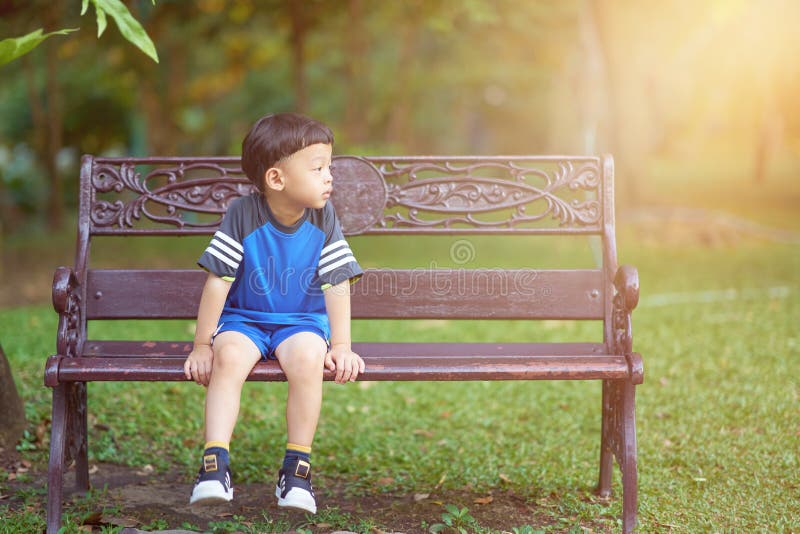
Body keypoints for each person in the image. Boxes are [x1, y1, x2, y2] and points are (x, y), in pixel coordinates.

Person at [183, 112, 364, 514]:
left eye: (329, 166)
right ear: (276, 179)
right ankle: (215, 465)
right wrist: (201, 345)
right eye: (317, 168)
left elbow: (336, 282)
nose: (329, 176)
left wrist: (342, 345)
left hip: (300, 323)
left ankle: (296, 469)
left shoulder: (324, 218)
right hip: (244, 319)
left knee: (308, 359)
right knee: (227, 357)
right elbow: (218, 281)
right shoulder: (242, 215)